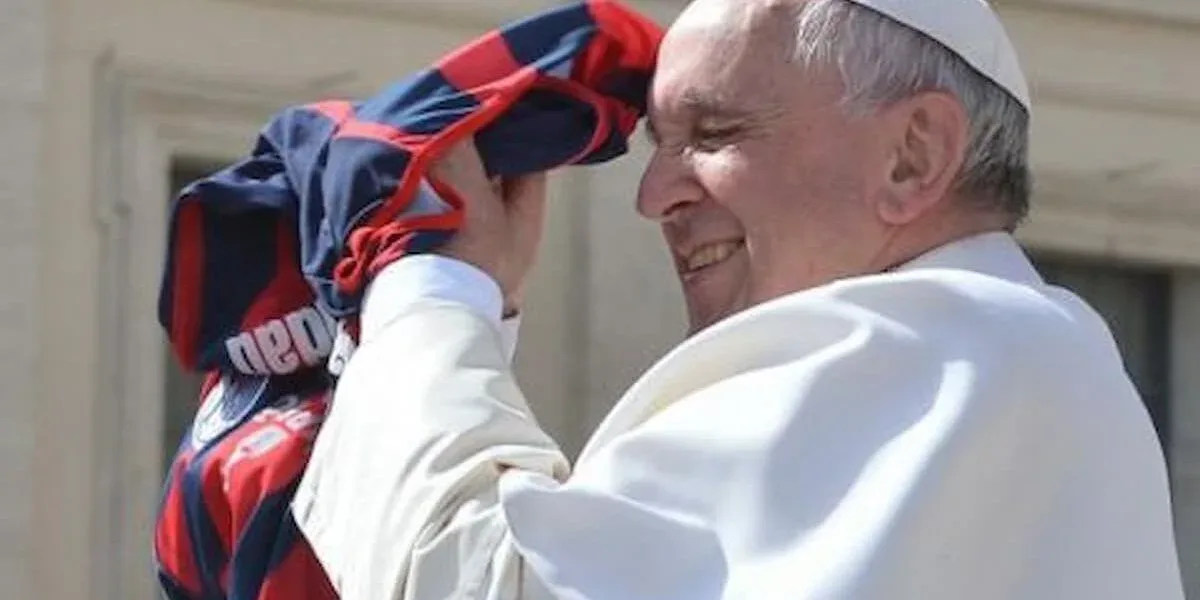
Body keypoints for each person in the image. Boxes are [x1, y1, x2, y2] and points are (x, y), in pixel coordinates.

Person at [291, 0, 1185, 598]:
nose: (655, 195)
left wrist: (428, 285)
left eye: (715, 134)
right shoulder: (1015, 358)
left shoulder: (959, 347)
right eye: (658, 144)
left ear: (913, 155)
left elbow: (485, 582)